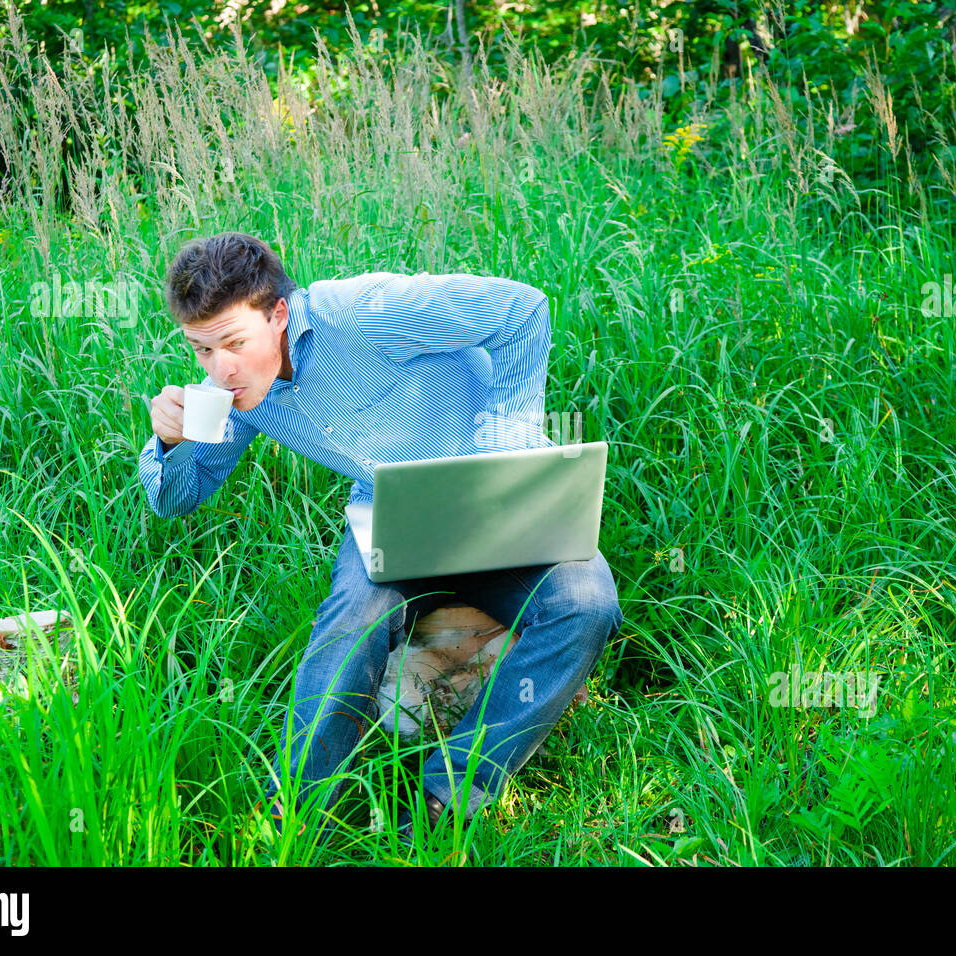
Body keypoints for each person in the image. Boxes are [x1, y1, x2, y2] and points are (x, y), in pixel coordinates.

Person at [137, 232, 623, 841]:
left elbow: (521, 310)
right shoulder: (235, 392)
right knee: (353, 617)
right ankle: (297, 812)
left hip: (495, 498)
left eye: (233, 342)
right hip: (393, 516)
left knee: (587, 604)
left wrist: (507, 454)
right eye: (202, 350)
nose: (220, 367)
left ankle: (451, 793)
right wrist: (169, 443)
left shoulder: (364, 310)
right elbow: (178, 497)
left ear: (279, 314)